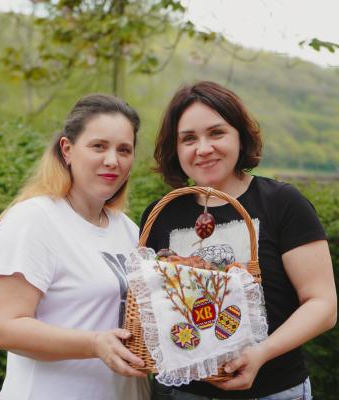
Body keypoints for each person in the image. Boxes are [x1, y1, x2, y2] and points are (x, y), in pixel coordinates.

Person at [141, 81, 337, 400]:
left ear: (240, 136)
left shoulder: (282, 203)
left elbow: (323, 305)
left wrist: (261, 353)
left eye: (216, 133)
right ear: (175, 149)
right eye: (189, 139)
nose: (203, 148)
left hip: (274, 391)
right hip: (182, 393)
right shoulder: (161, 214)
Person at [0, 94, 150, 400]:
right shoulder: (33, 220)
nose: (112, 160)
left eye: (124, 150)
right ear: (67, 149)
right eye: (98, 146)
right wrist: (93, 344)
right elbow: (5, 328)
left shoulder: (129, 230)